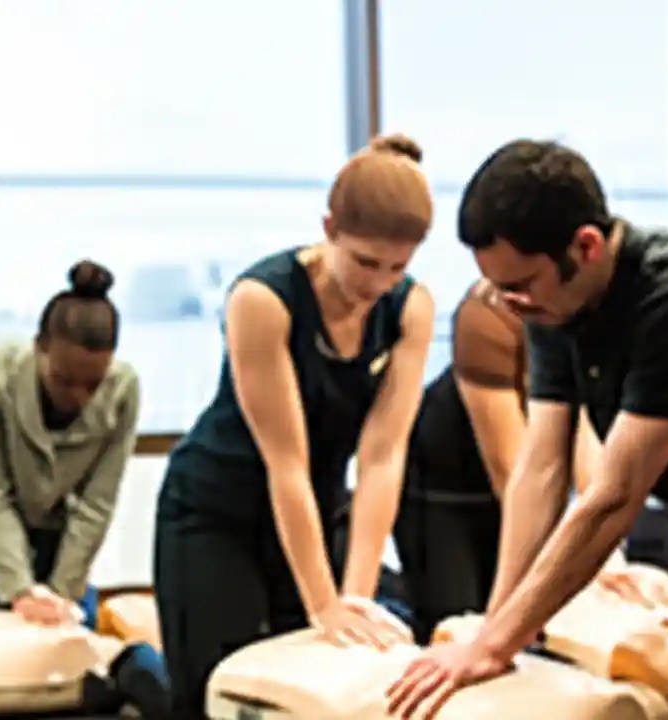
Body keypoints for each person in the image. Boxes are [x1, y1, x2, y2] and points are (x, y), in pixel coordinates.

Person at [386, 139, 668, 720]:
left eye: (522, 284)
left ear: (585, 246)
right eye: (500, 287)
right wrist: (498, 628)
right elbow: (541, 468)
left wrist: (495, 642)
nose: (511, 303)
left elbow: (612, 498)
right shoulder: (553, 303)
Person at [153, 133, 437, 718]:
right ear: (329, 227)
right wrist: (323, 605)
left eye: (396, 267)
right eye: (363, 262)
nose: (376, 284)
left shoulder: (411, 308)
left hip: (318, 506)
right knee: (214, 695)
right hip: (217, 509)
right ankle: (138, 670)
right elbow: (287, 462)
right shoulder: (263, 298)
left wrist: (353, 597)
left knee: (322, 685)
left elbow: (382, 458)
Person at [393, 280, 614, 642]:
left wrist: (606, 553)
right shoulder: (487, 313)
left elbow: (588, 443)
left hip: (526, 473)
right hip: (444, 488)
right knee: (460, 624)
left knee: (542, 619)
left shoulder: (589, 312)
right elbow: (516, 469)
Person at [0, 259, 140, 628]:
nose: (78, 397)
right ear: (40, 347)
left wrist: (59, 595)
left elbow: (96, 505)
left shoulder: (123, 391)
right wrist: (20, 593)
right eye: (63, 380)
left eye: (92, 384)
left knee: (73, 629)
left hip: (53, 525)